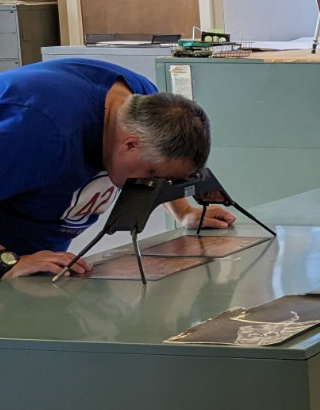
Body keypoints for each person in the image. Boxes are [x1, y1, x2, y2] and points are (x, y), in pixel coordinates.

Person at [0, 59, 230, 281]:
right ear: (130, 144)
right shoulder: (37, 133)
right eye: (153, 175)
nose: (153, 185)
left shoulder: (145, 103)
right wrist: (8, 262)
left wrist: (183, 211)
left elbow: (163, 164)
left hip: (37, 256)